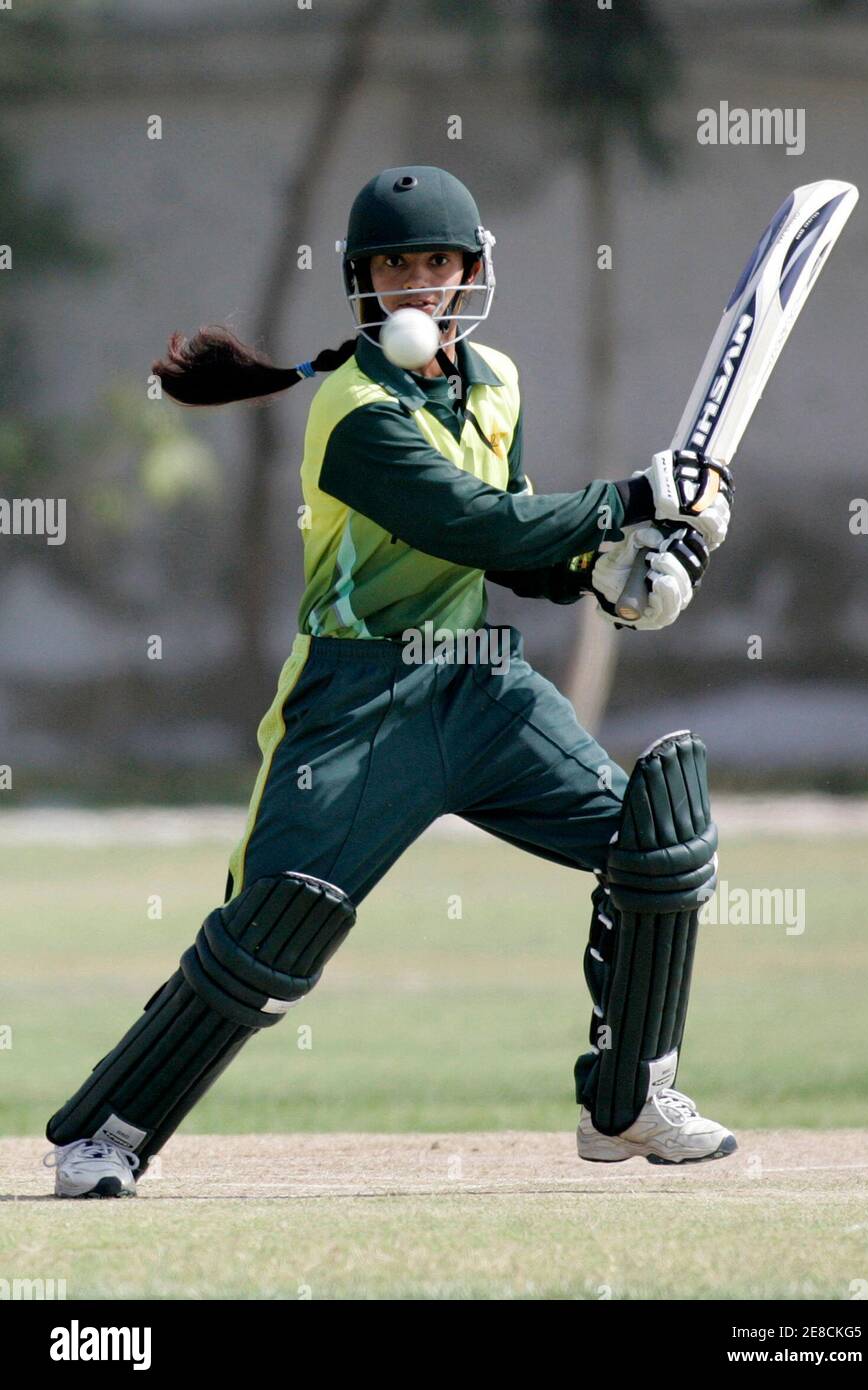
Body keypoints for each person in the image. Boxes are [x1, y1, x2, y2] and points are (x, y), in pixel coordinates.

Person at [45, 165, 734, 1198]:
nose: (418, 281)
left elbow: (512, 551)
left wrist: (617, 575)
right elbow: (466, 521)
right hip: (357, 700)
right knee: (275, 922)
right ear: (362, 282)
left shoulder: (494, 381)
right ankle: (105, 1133)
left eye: (436, 261)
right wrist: (634, 497)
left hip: (479, 685)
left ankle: (627, 1099)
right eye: (396, 264)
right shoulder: (353, 408)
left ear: (470, 271)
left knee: (659, 837)